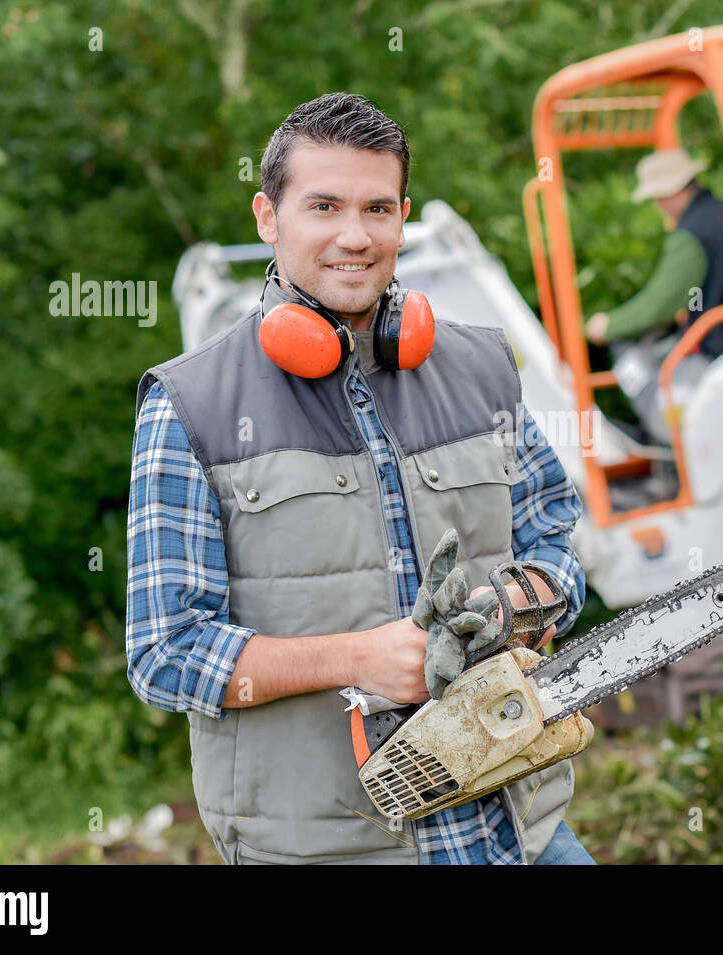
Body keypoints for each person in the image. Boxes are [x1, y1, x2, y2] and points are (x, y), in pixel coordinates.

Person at [125, 92, 593, 865]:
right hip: (335, 849)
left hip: (519, 822)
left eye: (378, 208)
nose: (355, 235)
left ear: (403, 216)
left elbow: (553, 541)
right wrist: (357, 658)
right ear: (267, 217)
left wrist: (512, 604)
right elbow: (165, 651)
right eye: (324, 206)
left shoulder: (481, 366)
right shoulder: (189, 405)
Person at [585, 147, 723, 360]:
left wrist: (609, 326)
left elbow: (658, 304)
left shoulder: (690, 235)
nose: (657, 206)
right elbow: (698, 291)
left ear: (667, 194)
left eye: (656, 198)